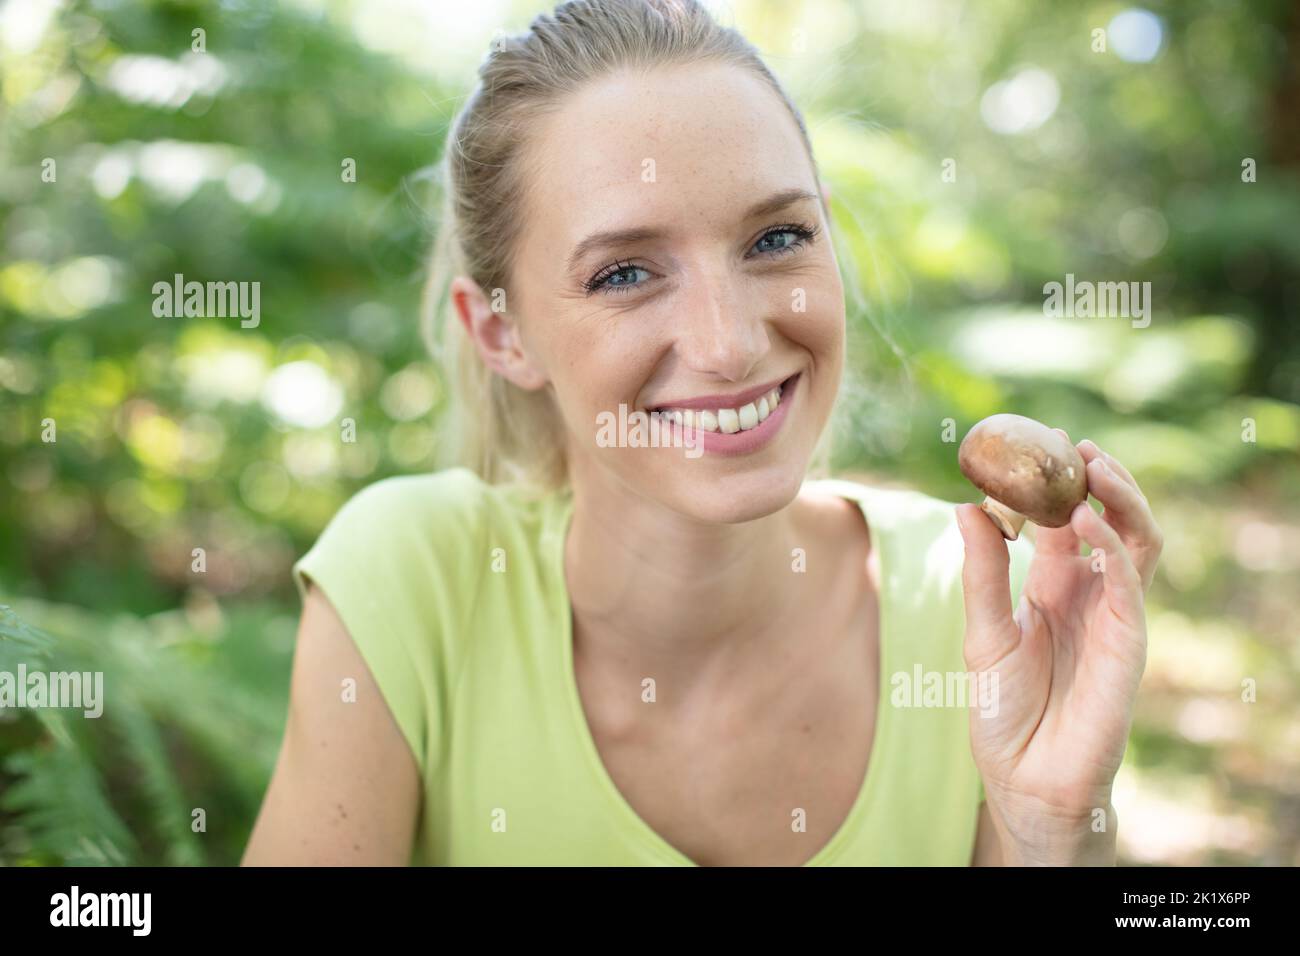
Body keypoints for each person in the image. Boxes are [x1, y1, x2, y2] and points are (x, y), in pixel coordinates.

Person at [243, 0, 1163, 866]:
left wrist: (1053, 831)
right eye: (624, 273)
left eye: (774, 241)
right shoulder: (413, 582)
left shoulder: (974, 609)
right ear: (500, 331)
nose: (729, 345)